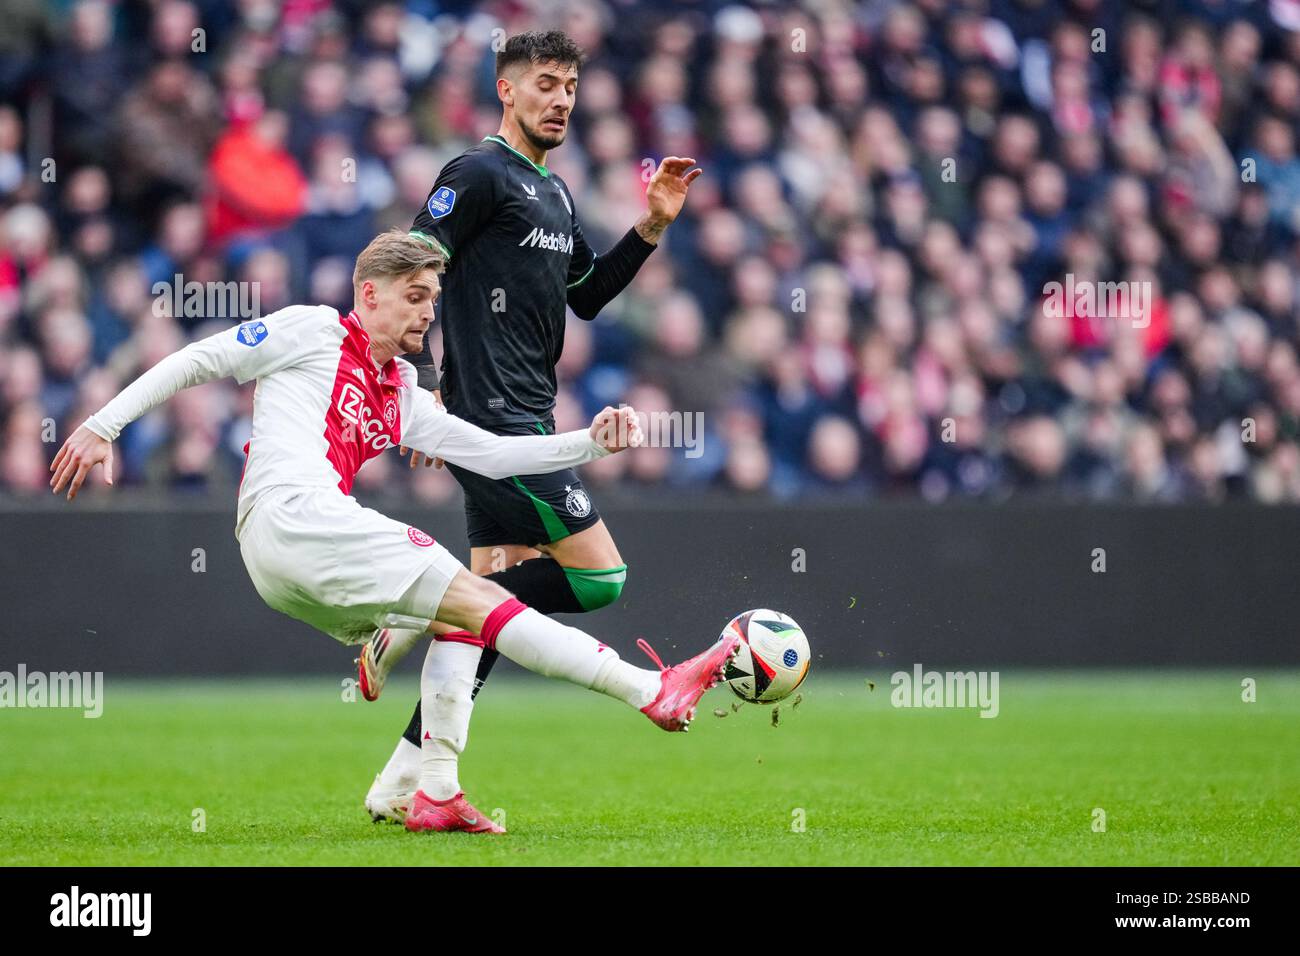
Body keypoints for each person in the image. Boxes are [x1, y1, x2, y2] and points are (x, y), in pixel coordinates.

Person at [50, 229, 740, 834]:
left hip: (291, 564)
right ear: (369, 294)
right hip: (294, 517)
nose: (427, 312)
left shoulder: (400, 393)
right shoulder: (314, 331)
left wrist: (588, 444)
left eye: (433, 299)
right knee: (476, 595)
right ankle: (650, 690)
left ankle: (432, 788)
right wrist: (101, 424)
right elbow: (199, 359)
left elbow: (493, 454)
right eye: (414, 296)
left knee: (464, 615)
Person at [356, 29, 703, 823]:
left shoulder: (554, 192)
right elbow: (414, 262)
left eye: (571, 88)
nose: (561, 100)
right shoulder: (477, 174)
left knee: (482, 622)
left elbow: (586, 294)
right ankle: (415, 611)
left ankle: (405, 785)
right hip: (491, 420)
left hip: (525, 415)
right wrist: (427, 390)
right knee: (598, 577)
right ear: (506, 90)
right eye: (545, 83)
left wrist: (651, 226)